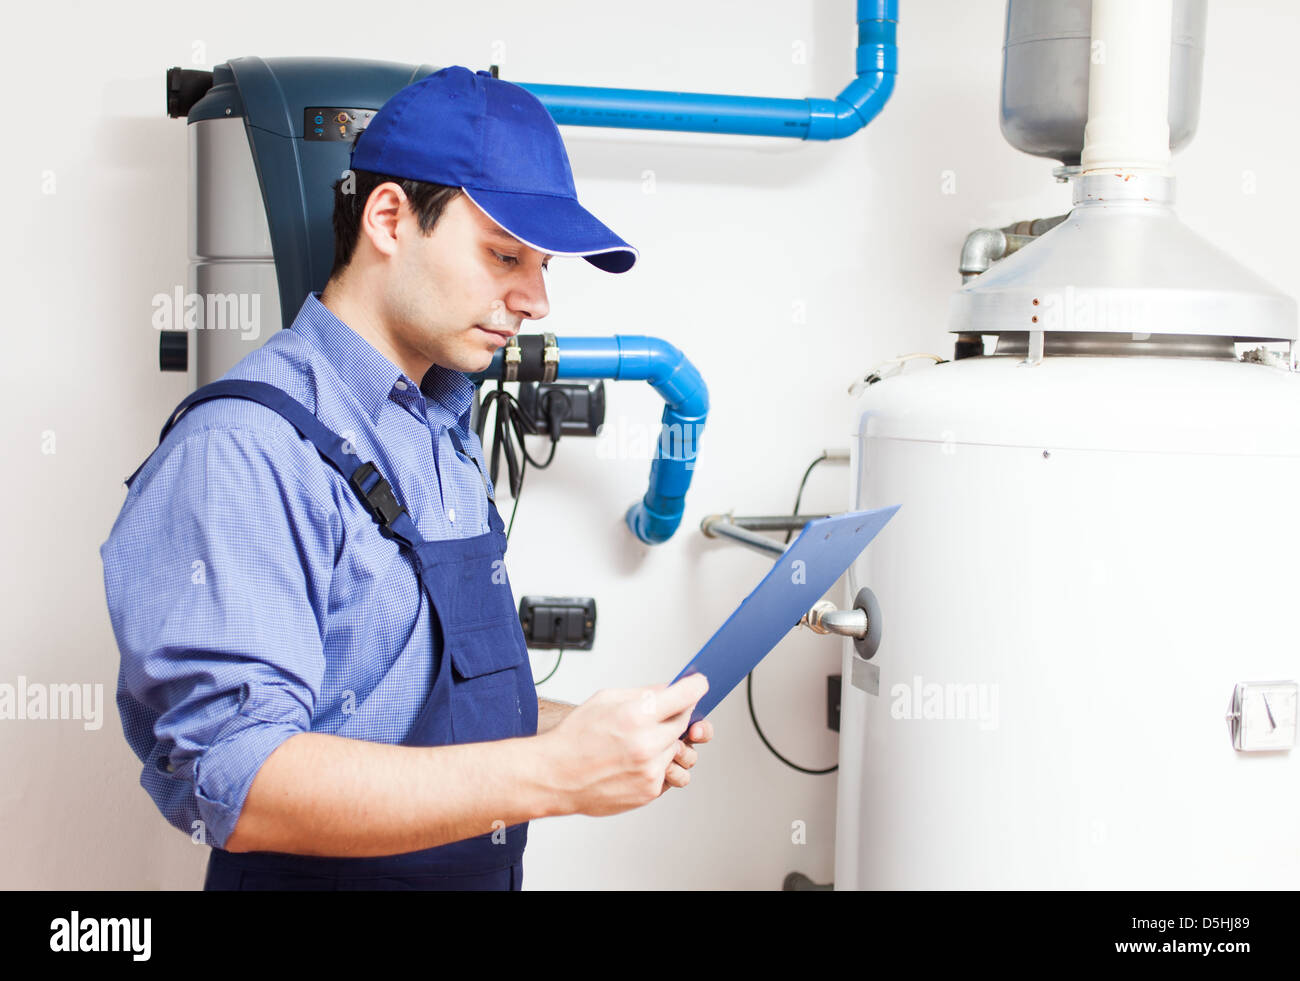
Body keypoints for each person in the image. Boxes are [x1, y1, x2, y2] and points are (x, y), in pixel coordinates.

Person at [102, 65, 712, 891]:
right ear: (389, 217)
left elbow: (400, 703)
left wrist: (598, 735)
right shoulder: (246, 447)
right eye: (504, 254)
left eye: (542, 266)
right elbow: (241, 783)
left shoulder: (442, 430)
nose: (534, 298)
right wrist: (558, 773)